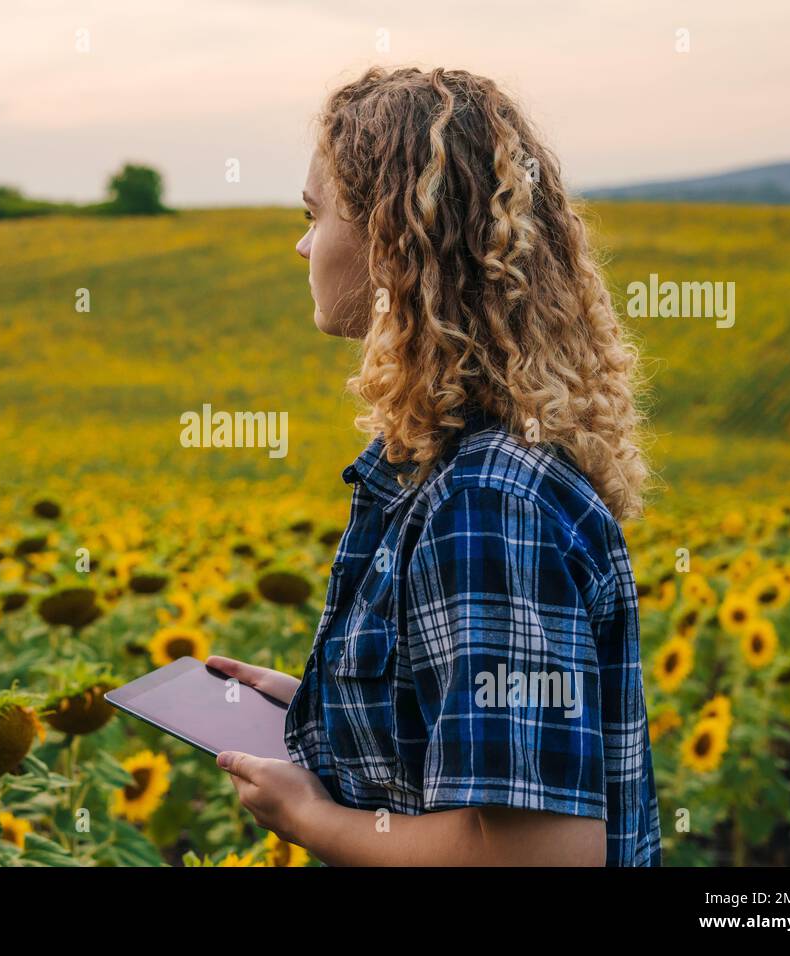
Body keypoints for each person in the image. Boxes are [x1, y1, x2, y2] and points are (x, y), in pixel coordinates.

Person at [207, 66, 661, 867]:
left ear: (393, 240)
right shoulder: (451, 466)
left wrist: (311, 819)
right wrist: (325, 704)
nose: (303, 243)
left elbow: (539, 858)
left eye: (316, 216)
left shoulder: (485, 501)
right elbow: (459, 733)